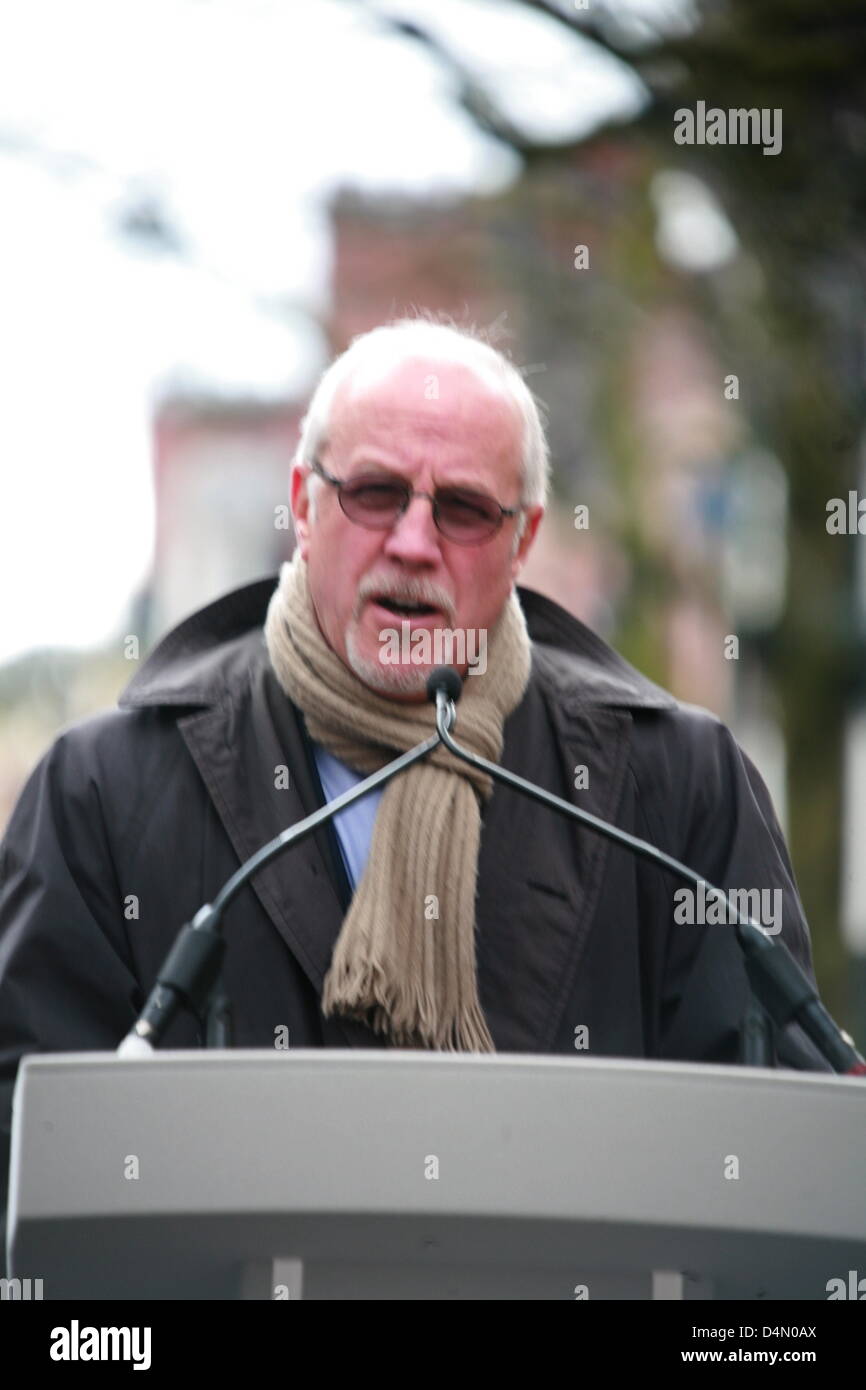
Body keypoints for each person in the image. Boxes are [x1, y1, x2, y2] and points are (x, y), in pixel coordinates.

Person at [0, 317, 831, 1268]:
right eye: (376, 493)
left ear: (523, 541)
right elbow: (30, 1164)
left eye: (465, 510)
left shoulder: (677, 789)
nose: (413, 541)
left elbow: (773, 1179)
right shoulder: (105, 790)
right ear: (304, 503)